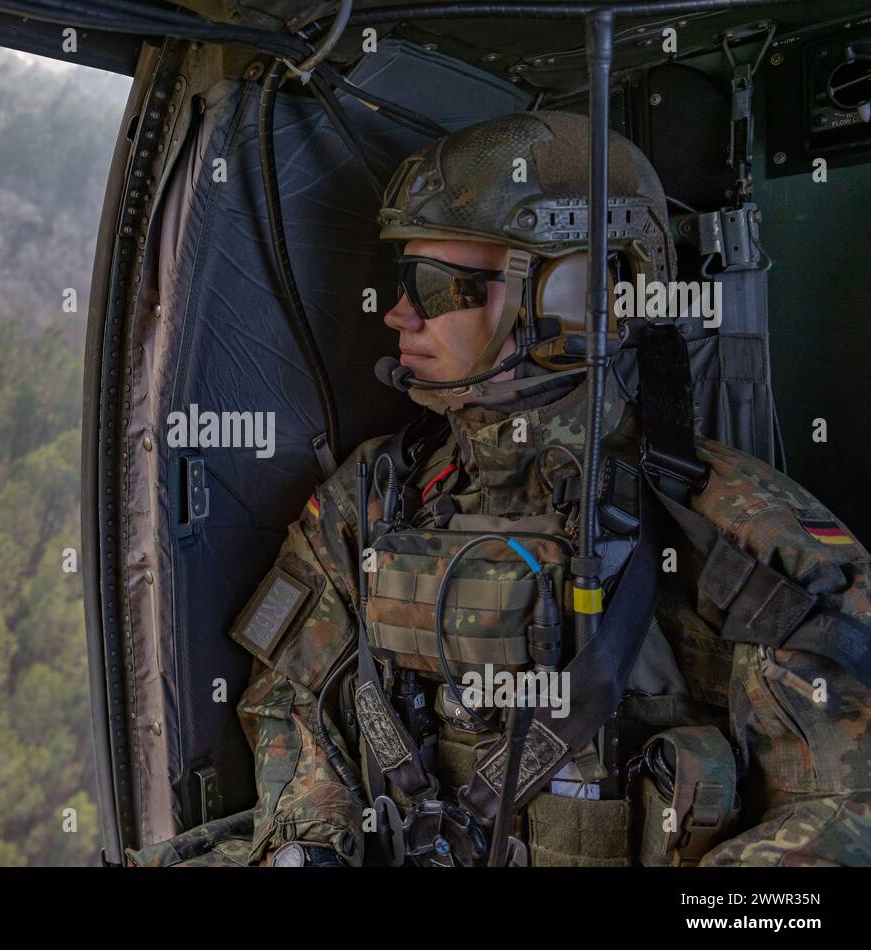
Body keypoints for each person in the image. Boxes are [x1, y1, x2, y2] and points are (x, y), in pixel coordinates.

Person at [126, 111, 871, 868]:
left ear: (575, 298)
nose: (398, 312)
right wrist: (309, 840)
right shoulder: (374, 497)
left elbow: (845, 808)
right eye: (402, 278)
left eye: (434, 286)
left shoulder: (728, 531)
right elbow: (288, 694)